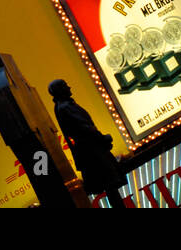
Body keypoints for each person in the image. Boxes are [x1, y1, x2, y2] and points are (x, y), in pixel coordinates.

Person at [48, 79, 126, 209]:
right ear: (61, 90)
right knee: (110, 185)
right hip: (93, 152)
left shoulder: (61, 107)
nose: (69, 87)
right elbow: (85, 128)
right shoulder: (66, 107)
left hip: (90, 152)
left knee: (110, 187)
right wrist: (103, 138)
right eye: (65, 86)